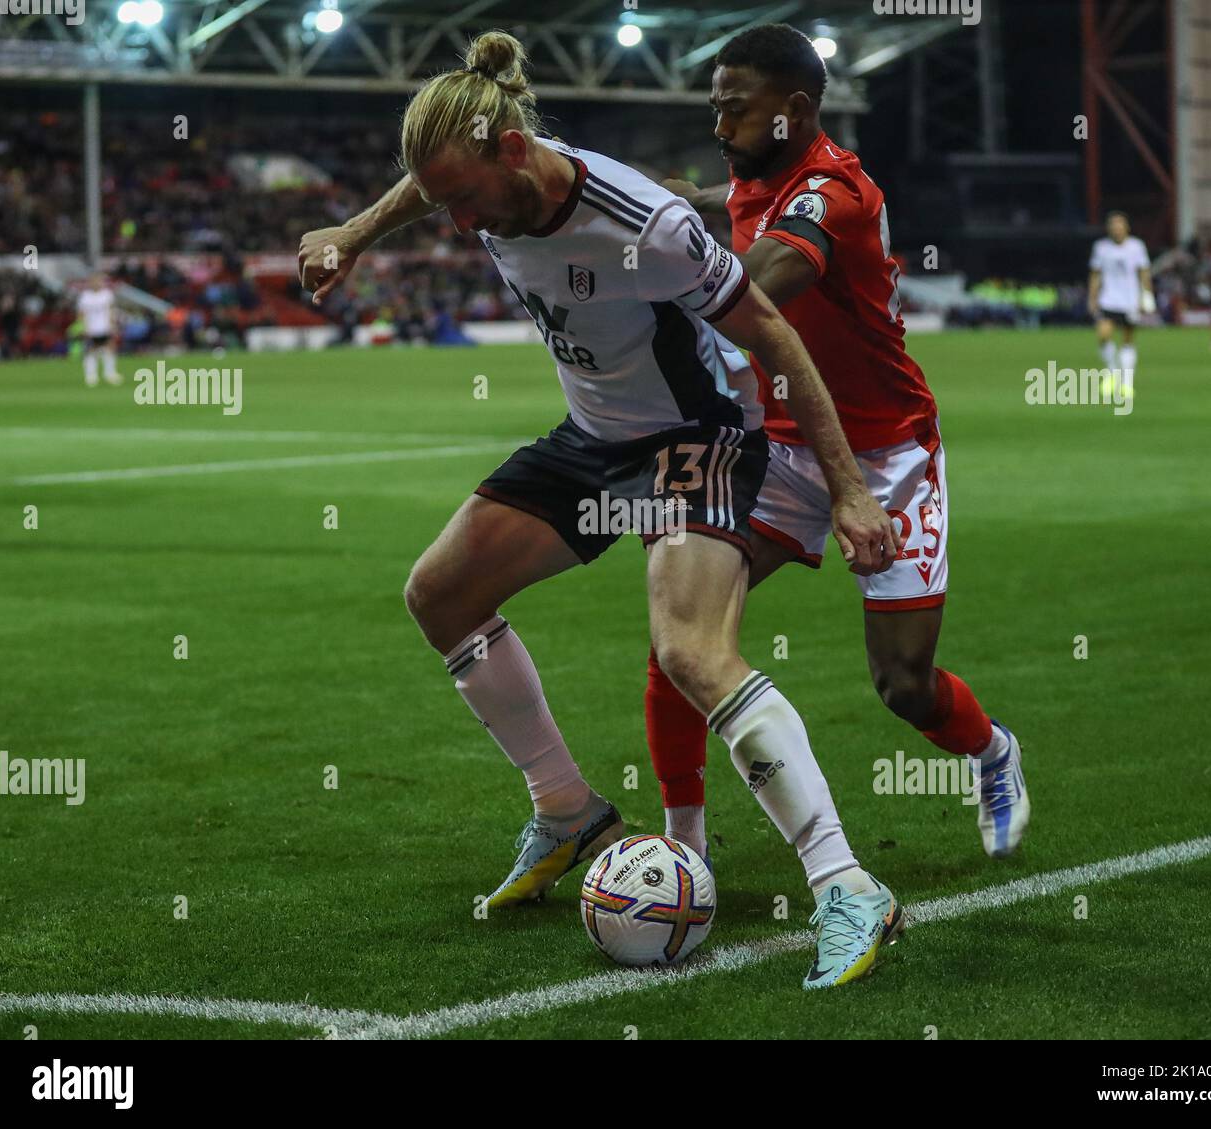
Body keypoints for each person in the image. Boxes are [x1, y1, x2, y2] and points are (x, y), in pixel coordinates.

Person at [298, 31, 906, 988]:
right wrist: (353, 234)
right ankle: (568, 807)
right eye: (444, 202)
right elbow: (427, 183)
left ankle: (844, 884)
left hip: (699, 435)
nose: (459, 224)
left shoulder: (645, 224)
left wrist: (850, 488)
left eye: (467, 201)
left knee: (691, 650)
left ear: (511, 152)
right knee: (439, 593)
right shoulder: (478, 173)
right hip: (595, 439)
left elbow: (778, 336)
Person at [654, 23, 1029, 861]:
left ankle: (991, 749)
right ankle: (684, 843)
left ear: (792, 110)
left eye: (735, 110)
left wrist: (648, 273)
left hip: (889, 457)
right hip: (786, 456)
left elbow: (763, 284)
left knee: (902, 685)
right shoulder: (753, 170)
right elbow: (736, 204)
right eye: (714, 108)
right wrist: (687, 198)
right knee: (681, 631)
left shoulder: (835, 194)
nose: (721, 128)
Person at [1088, 211, 1153, 397]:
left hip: (1130, 300)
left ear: (1127, 228)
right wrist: (1092, 298)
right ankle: (1112, 371)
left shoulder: (1136, 246)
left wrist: (1146, 295)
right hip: (1108, 299)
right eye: (1113, 225)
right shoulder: (1101, 247)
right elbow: (1095, 274)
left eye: (1119, 225)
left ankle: (1127, 382)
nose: (1116, 228)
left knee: (1127, 340)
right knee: (1103, 335)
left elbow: (1144, 272)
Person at [76, 273, 121, 387]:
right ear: (90, 283)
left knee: (110, 349)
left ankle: (110, 373)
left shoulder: (107, 294)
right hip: (91, 328)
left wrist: (113, 325)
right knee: (91, 351)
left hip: (105, 327)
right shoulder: (85, 296)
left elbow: (111, 310)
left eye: (99, 281)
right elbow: (81, 314)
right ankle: (91, 375)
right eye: (94, 281)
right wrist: (82, 327)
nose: (97, 283)